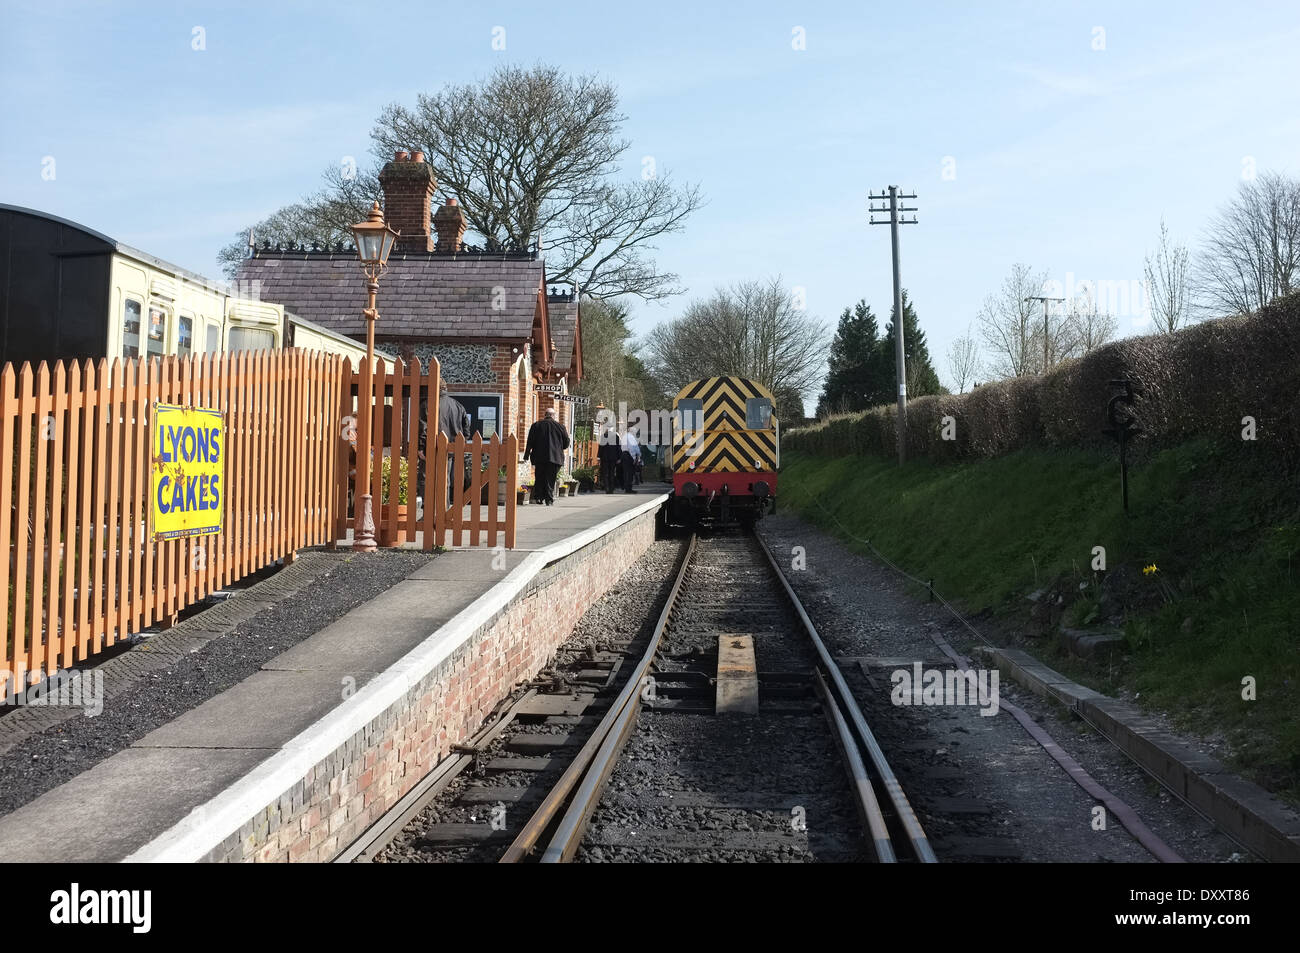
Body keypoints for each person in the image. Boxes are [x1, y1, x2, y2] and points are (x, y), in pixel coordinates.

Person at [524, 407, 570, 506]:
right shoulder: (560, 427)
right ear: (553, 416)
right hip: (555, 457)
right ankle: (549, 499)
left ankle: (539, 497)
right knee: (550, 478)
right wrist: (559, 448)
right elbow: (566, 442)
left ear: (545, 415)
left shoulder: (536, 425)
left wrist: (526, 455)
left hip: (539, 457)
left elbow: (530, 442)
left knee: (539, 476)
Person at [597, 424, 622, 494]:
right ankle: (611, 489)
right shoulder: (616, 437)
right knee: (612, 473)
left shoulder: (603, 436)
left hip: (604, 458)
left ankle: (607, 488)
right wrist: (619, 457)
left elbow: (600, 447)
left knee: (605, 473)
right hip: (613, 458)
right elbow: (619, 448)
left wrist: (598, 457)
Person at [620, 426, 641, 494]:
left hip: (624, 454)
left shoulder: (624, 436)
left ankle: (627, 488)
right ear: (632, 432)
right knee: (630, 473)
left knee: (626, 472)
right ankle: (629, 489)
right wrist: (634, 458)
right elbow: (632, 448)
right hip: (629, 456)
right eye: (635, 432)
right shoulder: (630, 437)